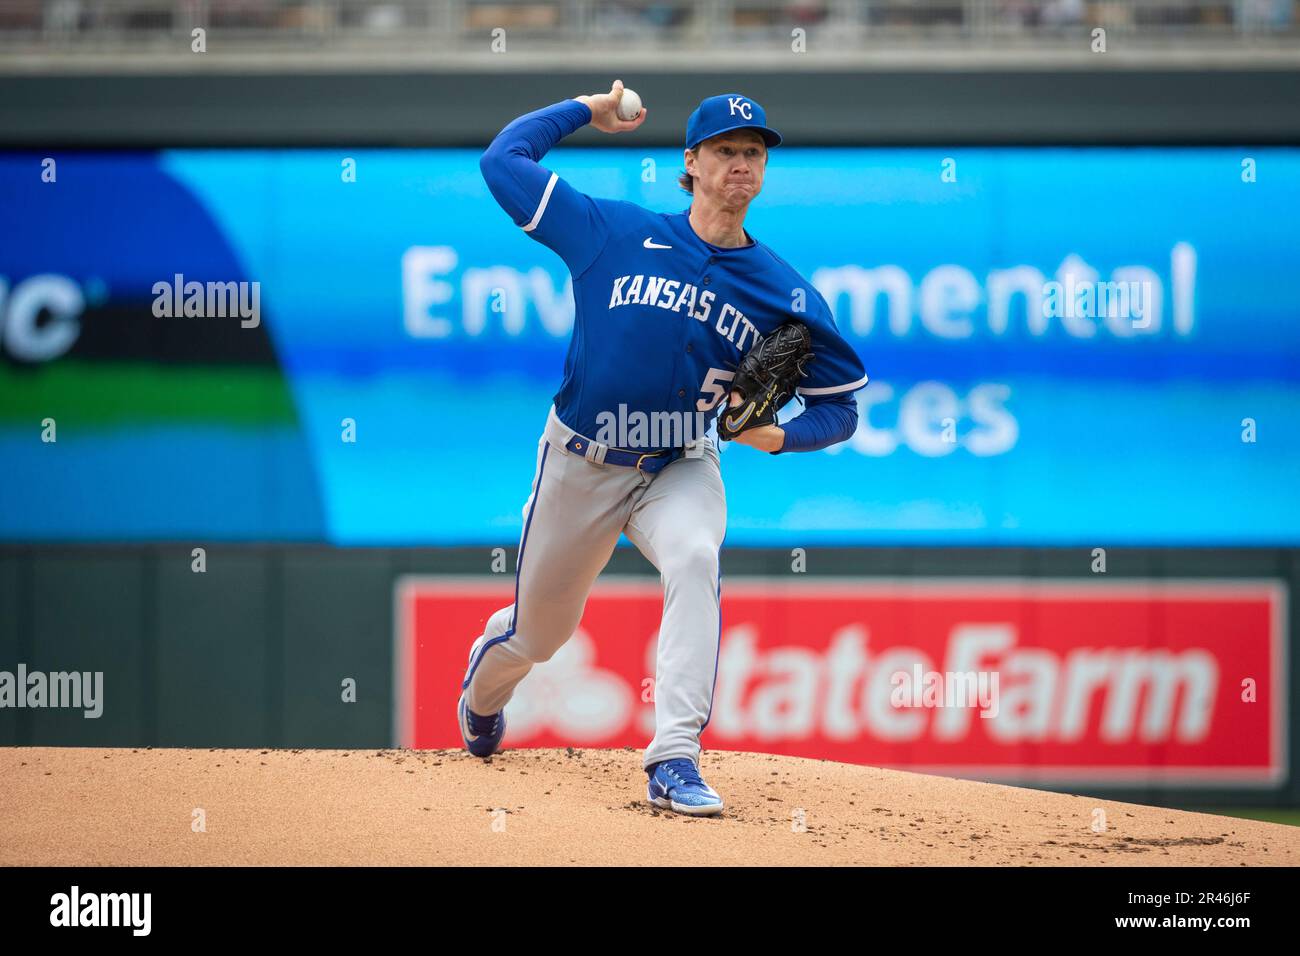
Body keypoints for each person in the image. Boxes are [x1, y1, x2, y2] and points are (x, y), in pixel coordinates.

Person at [461, 81, 868, 816]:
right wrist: (588, 110)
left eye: (753, 152)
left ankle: (673, 757)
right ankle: (484, 693)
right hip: (581, 459)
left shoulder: (787, 293)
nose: (741, 162)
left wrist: (776, 435)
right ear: (692, 162)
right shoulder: (611, 232)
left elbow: (841, 408)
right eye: (726, 150)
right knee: (537, 637)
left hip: (681, 462)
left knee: (694, 557)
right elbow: (503, 160)